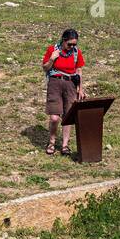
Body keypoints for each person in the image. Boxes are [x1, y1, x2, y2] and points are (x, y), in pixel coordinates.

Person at [42, 28, 84, 156]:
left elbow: (79, 70)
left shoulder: (76, 52)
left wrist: (80, 88)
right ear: (63, 40)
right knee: (54, 117)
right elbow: (45, 68)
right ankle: (52, 142)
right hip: (55, 83)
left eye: (74, 44)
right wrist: (52, 59)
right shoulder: (53, 50)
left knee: (67, 116)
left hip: (70, 84)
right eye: (69, 44)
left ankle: (65, 145)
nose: (71, 46)